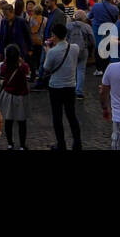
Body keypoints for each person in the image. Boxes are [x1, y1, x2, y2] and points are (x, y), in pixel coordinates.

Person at [43, 22, 81, 150]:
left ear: (55, 36)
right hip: (70, 86)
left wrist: (48, 51)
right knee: (72, 115)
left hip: (56, 87)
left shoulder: (53, 52)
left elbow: (46, 68)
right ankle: (77, 142)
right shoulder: (75, 48)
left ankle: (61, 143)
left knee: (57, 117)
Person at [0, 44, 31, 150]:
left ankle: (10, 144)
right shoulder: (24, 67)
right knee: (22, 122)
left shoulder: (4, 66)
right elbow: (28, 79)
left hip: (8, 95)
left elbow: (1, 80)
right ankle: (22, 145)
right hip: (21, 96)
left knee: (8, 121)